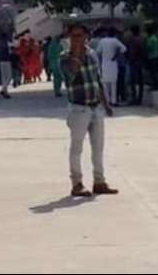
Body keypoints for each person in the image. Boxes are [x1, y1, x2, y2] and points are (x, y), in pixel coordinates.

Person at [61, 24, 119, 197]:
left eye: (80, 35)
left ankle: (99, 182)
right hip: (79, 108)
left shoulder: (93, 54)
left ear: (86, 36)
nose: (77, 39)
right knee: (77, 148)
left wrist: (106, 103)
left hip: (96, 107)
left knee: (98, 147)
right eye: (73, 36)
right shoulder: (64, 57)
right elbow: (70, 76)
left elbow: (98, 80)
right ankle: (77, 183)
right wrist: (76, 56)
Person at [94, 27, 127, 107]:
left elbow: (98, 51)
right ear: (114, 34)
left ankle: (107, 101)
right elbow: (124, 49)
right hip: (113, 63)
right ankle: (114, 101)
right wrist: (116, 55)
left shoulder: (102, 41)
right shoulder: (115, 41)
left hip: (105, 64)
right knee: (113, 84)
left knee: (105, 84)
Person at [126, 25, 146, 106]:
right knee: (140, 81)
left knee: (133, 81)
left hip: (134, 62)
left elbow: (133, 52)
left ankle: (134, 99)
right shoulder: (142, 39)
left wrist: (130, 58)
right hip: (140, 62)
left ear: (132, 32)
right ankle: (139, 99)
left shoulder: (133, 40)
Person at [145, 24, 158, 90]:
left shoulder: (151, 39)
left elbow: (148, 48)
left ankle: (154, 86)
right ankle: (155, 85)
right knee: (154, 72)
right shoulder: (155, 37)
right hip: (155, 56)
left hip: (152, 57)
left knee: (152, 72)